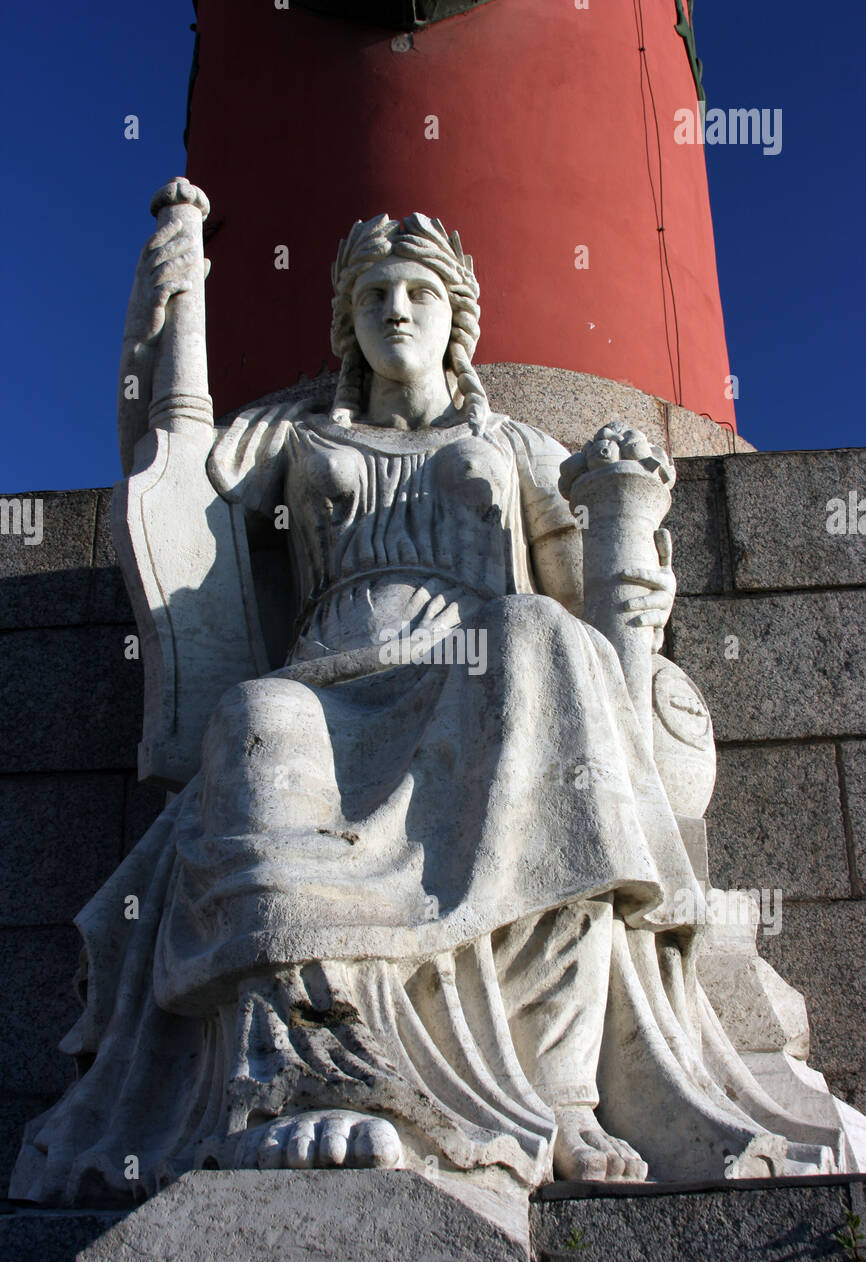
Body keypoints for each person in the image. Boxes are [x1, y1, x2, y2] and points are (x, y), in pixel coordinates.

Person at [11, 213, 842, 1207]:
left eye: (416, 292)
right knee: (255, 723)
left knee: (547, 651)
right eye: (370, 295)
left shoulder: (515, 444)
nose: (393, 310)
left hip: (483, 680)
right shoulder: (294, 437)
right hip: (331, 680)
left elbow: (591, 601)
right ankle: (313, 1079)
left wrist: (632, 557)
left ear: (457, 316)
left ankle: (564, 1094)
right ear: (343, 322)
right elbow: (169, 464)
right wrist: (164, 308)